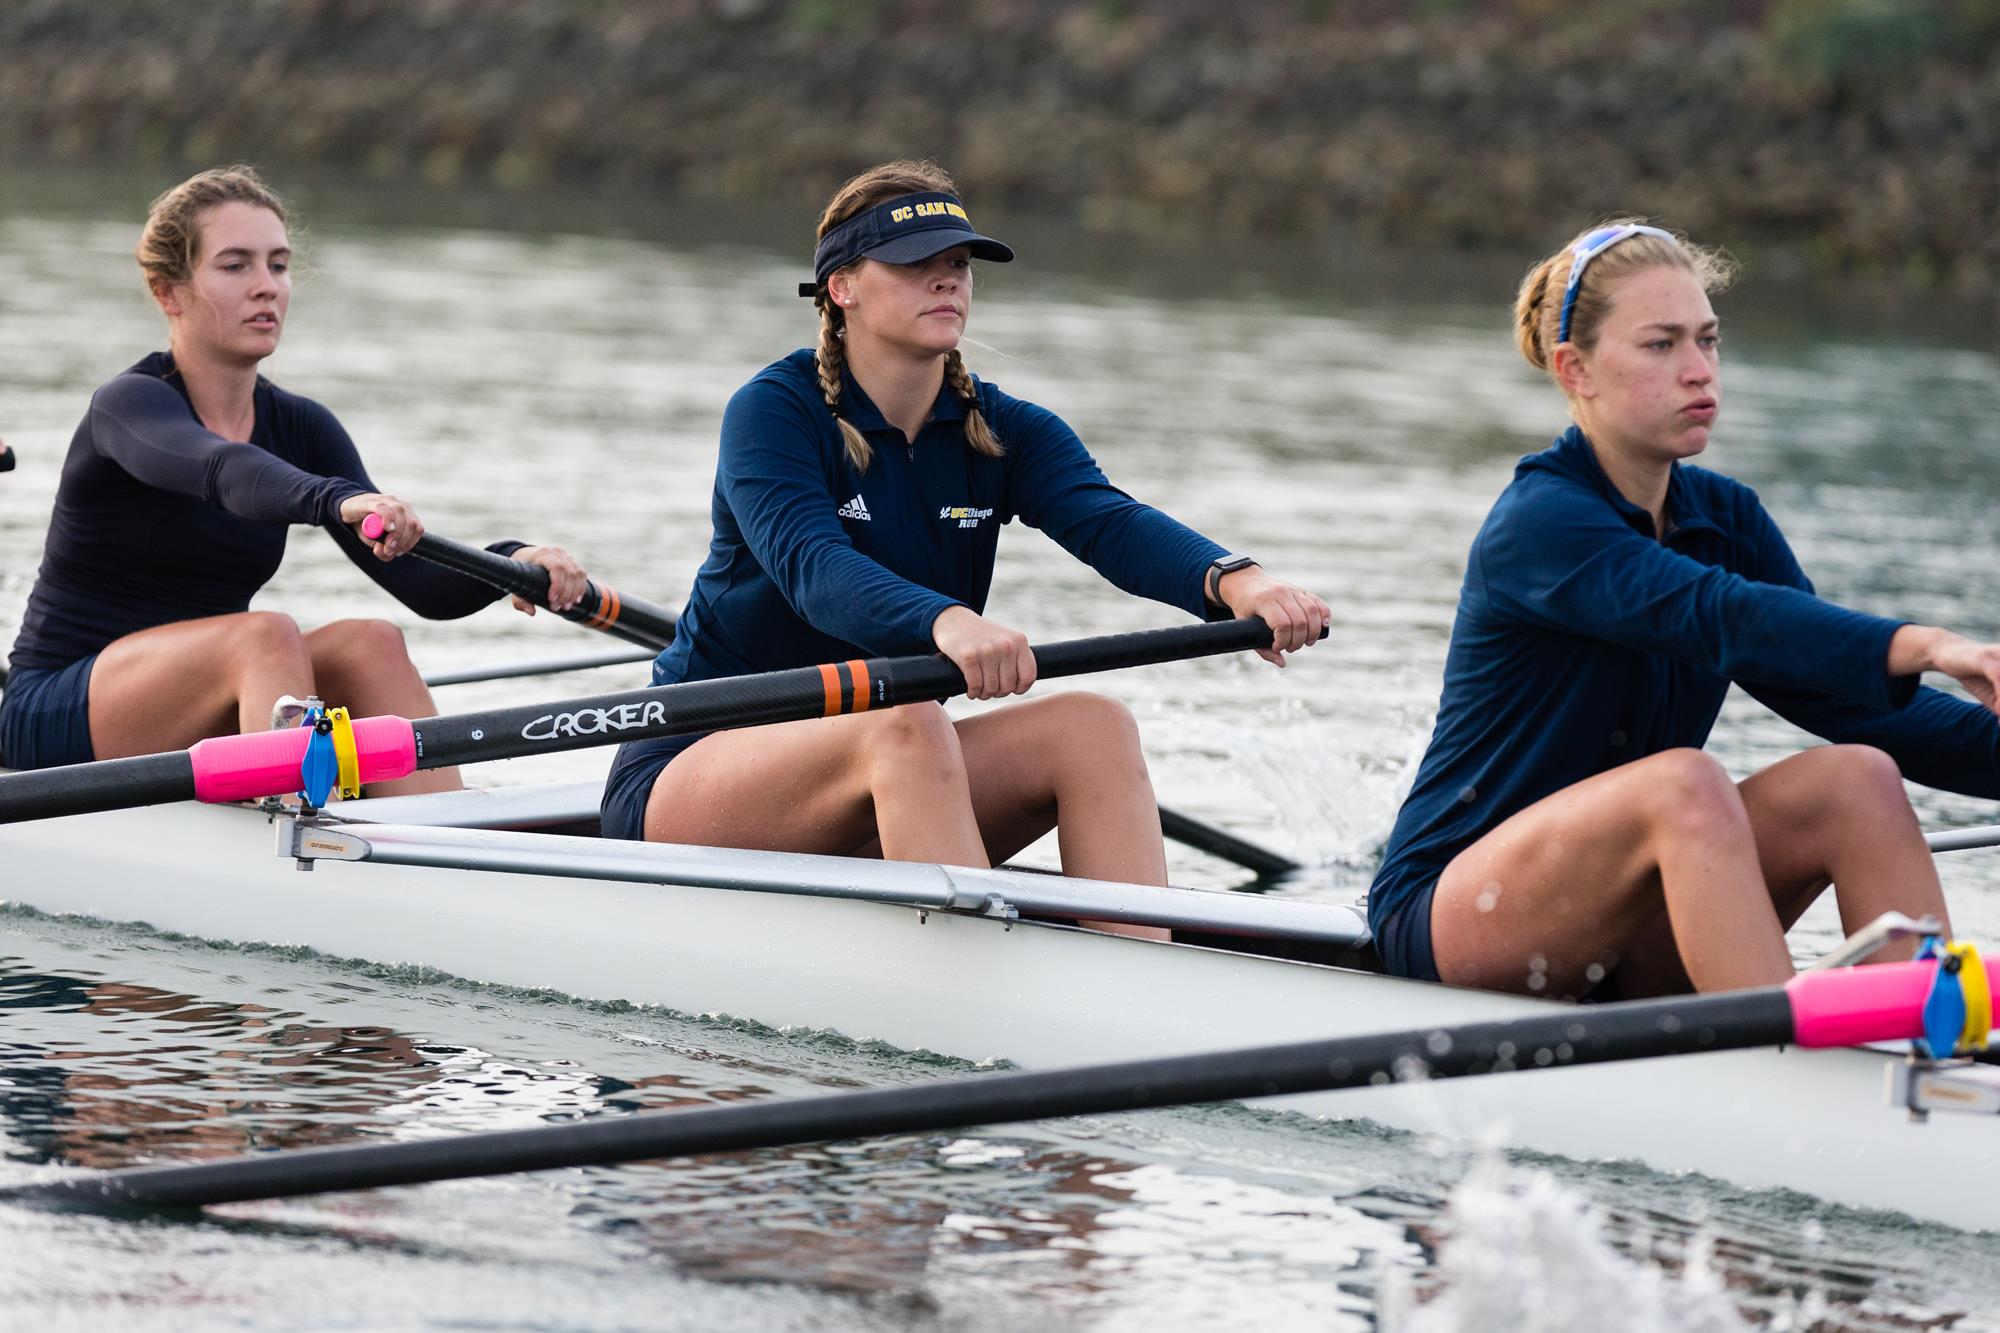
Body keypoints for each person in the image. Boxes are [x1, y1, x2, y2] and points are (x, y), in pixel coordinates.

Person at [601, 160, 1329, 929]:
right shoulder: (773, 413)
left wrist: (1235, 580)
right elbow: (813, 568)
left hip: (897, 774)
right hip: (694, 771)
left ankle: (1137, 973)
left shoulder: (1005, 428)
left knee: (1092, 726)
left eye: (957, 265)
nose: (947, 281)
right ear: (841, 287)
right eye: (917, 265)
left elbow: (1111, 522)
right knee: (911, 722)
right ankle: (982, 995)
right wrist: (945, 621)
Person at [1370, 219, 2000, 999]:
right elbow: (1717, 614)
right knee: (1687, 783)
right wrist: (1934, 645)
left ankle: (1922, 1056)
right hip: (1459, 913)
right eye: (1662, 345)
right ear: (1577, 370)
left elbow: (1859, 705)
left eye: (1709, 340)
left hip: (1635, 914)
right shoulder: (1540, 523)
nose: (1700, 371)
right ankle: (1786, 1083)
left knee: (1859, 779)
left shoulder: (1727, 520)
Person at [0, 166, 588, 794]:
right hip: (58, 708)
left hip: (203, 695)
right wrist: (335, 498)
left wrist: (515, 562)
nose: (267, 288)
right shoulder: (130, 407)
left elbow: (421, 585)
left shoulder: (303, 427)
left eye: (278, 265)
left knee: (373, 642)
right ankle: (301, 831)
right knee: (265, 636)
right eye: (235, 266)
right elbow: (221, 470)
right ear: (169, 292)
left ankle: (443, 838)